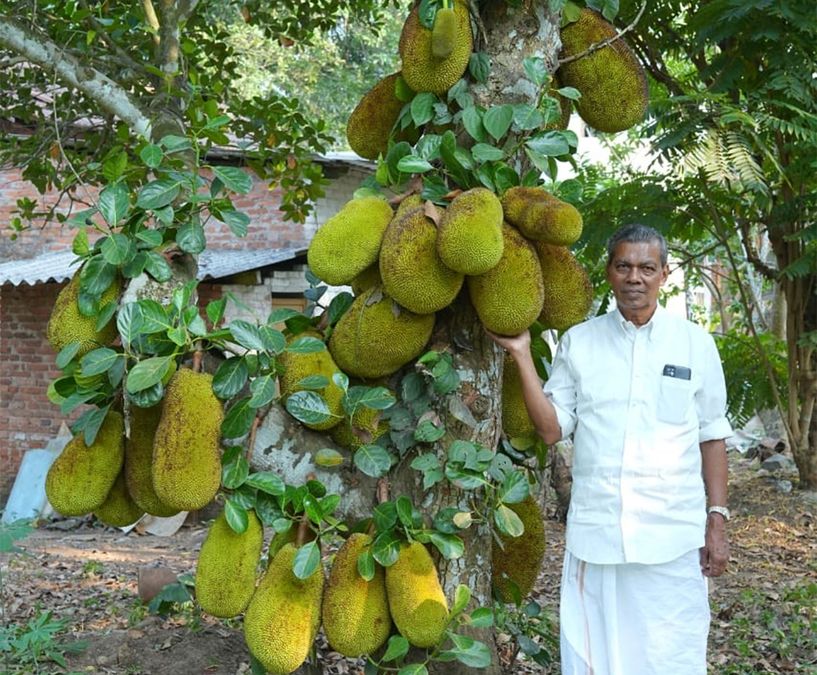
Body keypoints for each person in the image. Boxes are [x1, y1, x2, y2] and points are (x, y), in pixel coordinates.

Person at [490, 224, 731, 675]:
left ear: (665, 274)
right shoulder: (579, 343)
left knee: (670, 657)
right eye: (624, 266)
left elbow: (711, 436)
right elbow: (551, 430)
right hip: (597, 536)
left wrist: (717, 519)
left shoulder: (696, 344)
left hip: (673, 537)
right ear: (609, 272)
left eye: (646, 268)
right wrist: (523, 356)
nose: (634, 277)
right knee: (595, 658)